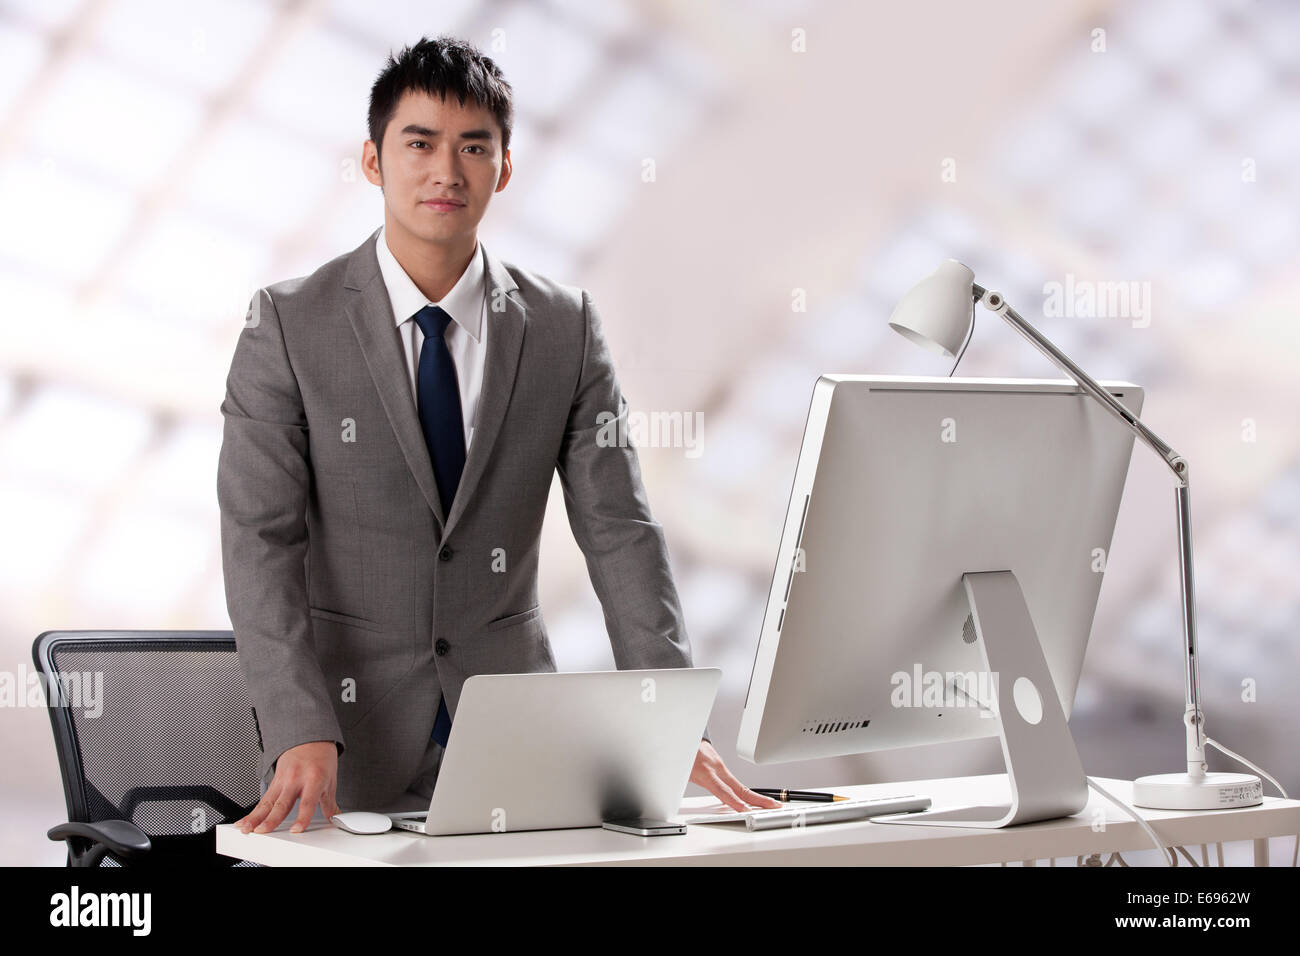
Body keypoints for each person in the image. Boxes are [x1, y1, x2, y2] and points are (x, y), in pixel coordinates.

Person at [219, 34, 781, 835]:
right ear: (374, 161)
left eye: (473, 147)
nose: (446, 171)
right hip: (340, 748)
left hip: (519, 741)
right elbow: (257, 541)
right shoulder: (288, 325)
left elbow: (619, 530)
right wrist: (300, 722)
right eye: (419, 143)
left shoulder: (564, 328)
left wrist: (668, 710)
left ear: (504, 168)